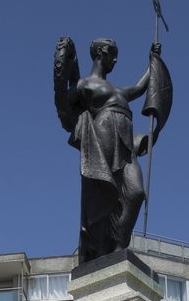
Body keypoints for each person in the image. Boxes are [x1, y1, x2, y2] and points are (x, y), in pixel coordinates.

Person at [54, 36, 173, 262]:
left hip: (126, 144)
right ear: (101, 53)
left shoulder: (119, 90)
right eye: (112, 54)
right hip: (103, 137)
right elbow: (62, 101)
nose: (116, 60)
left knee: (136, 192)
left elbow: (139, 88)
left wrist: (153, 60)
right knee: (103, 191)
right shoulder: (83, 84)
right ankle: (101, 249)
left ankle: (119, 245)